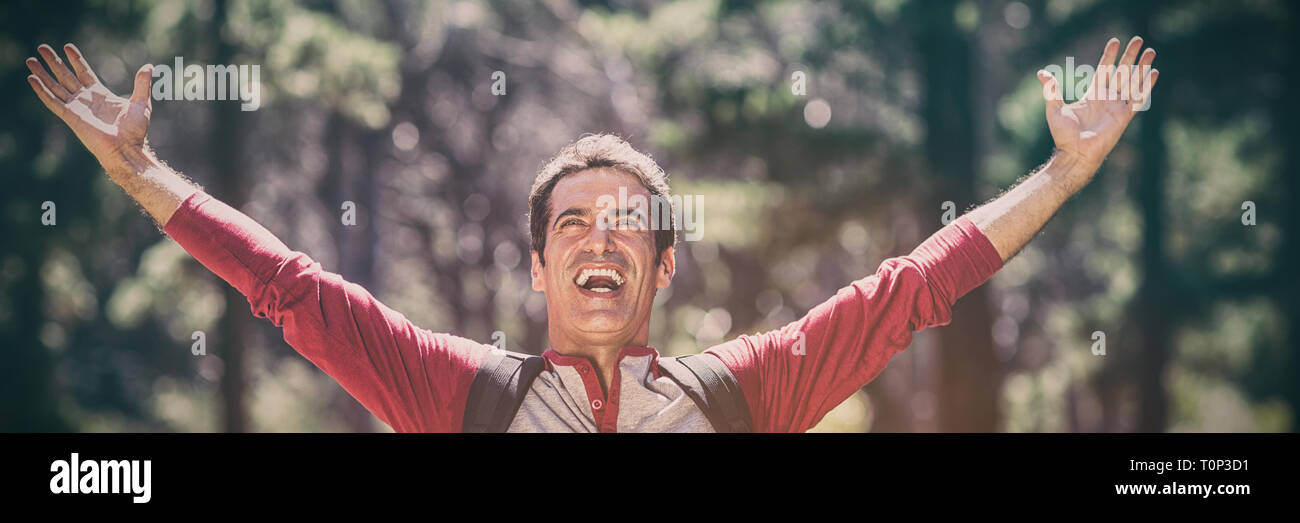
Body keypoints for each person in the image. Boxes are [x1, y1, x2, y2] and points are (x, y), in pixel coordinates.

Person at [25, 37, 1157, 432]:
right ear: (537, 262)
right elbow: (292, 288)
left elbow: (917, 285)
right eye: (571, 223)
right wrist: (140, 169)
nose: (596, 240)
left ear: (665, 264)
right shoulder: (461, 395)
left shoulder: (741, 394)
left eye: (627, 224)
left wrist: (1061, 174)